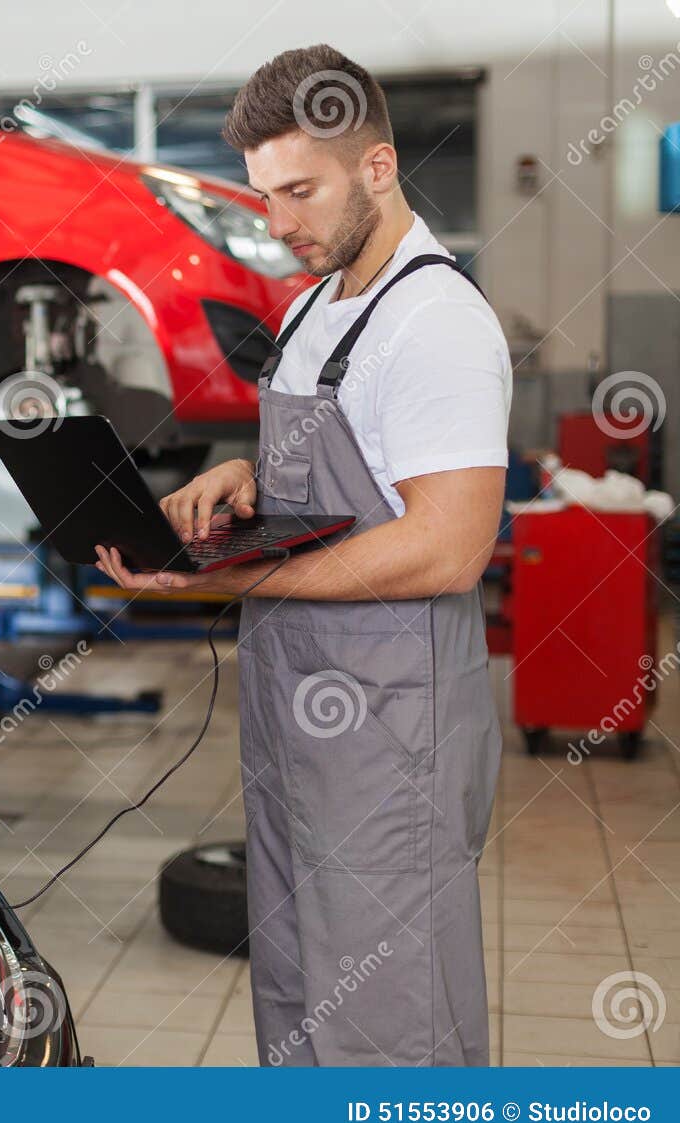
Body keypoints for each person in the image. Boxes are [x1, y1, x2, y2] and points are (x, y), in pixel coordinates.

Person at [94, 45, 508, 1065]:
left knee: (389, 1010)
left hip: (389, 726)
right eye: (261, 195)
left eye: (297, 191)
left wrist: (232, 577)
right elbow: (331, 467)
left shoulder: (437, 321)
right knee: (300, 983)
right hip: (296, 713)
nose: (277, 223)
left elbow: (449, 546)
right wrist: (245, 479)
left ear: (375, 166)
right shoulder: (312, 308)